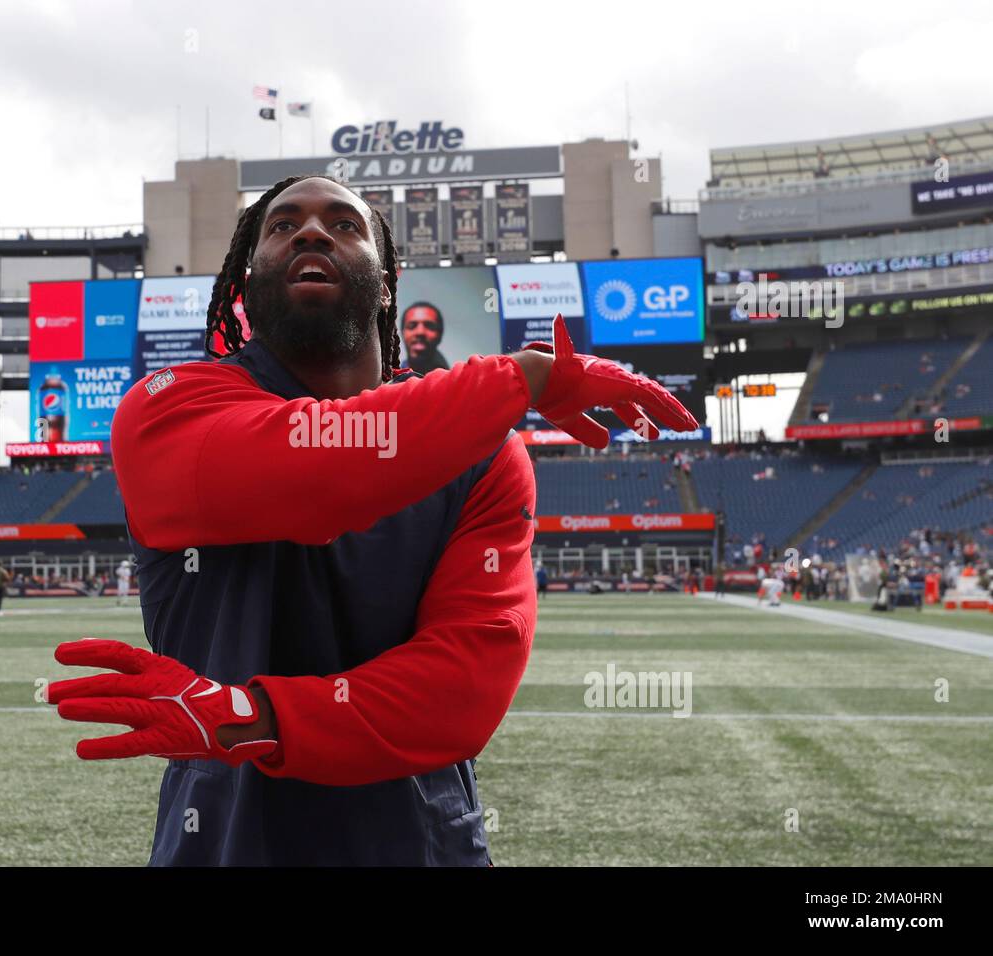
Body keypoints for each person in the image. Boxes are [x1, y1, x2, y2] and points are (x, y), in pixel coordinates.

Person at [45, 173, 696, 866]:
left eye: (345, 224)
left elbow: (461, 688)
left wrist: (250, 717)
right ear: (243, 282)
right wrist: (521, 378)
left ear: (387, 285)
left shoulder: (486, 455)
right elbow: (321, 471)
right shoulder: (165, 408)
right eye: (281, 224)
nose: (312, 231)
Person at [399, 301, 450, 375]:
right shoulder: (390, 380)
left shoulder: (453, 383)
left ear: (439, 334)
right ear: (403, 332)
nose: (420, 332)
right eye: (412, 326)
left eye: (429, 326)